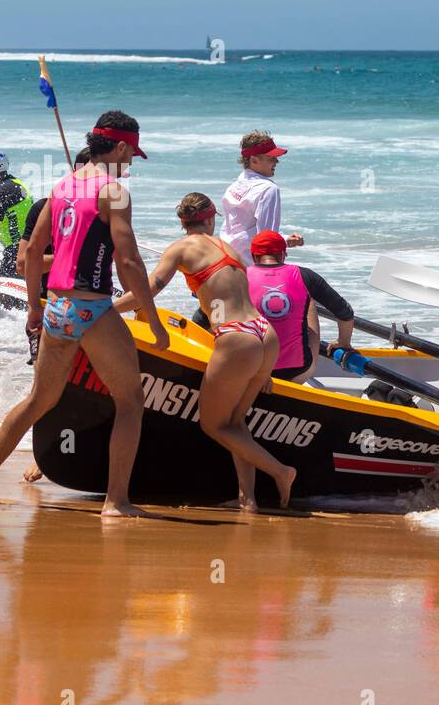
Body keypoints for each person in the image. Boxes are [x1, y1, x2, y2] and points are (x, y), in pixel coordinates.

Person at [0, 111, 167, 517]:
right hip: (92, 306)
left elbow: (30, 256)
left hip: (57, 307)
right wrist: (153, 317)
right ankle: (116, 501)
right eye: (131, 156)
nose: (130, 165)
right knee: (130, 401)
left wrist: (34, 307)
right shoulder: (113, 192)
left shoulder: (63, 186)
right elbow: (129, 262)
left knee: (39, 398)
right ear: (122, 147)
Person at [112, 194, 296, 512]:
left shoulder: (182, 248)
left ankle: (281, 471)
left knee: (214, 425)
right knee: (236, 423)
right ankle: (247, 499)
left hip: (237, 339)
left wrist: (107, 309)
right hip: (265, 336)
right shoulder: (228, 247)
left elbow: (149, 288)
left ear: (184, 223)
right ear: (211, 220)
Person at [16, 148, 92, 365]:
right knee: (45, 383)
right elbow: (23, 265)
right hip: (49, 305)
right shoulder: (46, 208)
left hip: (89, 308)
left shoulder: (104, 211)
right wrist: (67, 255)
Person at [247, 229, 354, 381]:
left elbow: (208, 318)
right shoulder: (305, 275)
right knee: (307, 298)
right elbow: (345, 312)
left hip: (249, 369)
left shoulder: (239, 277)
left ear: (253, 256)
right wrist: (343, 342)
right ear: (284, 254)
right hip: (296, 370)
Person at [220, 131, 303, 261]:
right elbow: (266, 238)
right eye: (271, 158)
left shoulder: (234, 186)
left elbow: (241, 230)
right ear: (254, 160)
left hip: (226, 257)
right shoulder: (268, 189)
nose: (277, 161)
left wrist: (284, 239)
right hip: (249, 264)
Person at [0, 151, 35, 277]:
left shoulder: (2, 191)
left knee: (1, 295)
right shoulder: (13, 183)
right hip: (26, 245)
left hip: (16, 251)